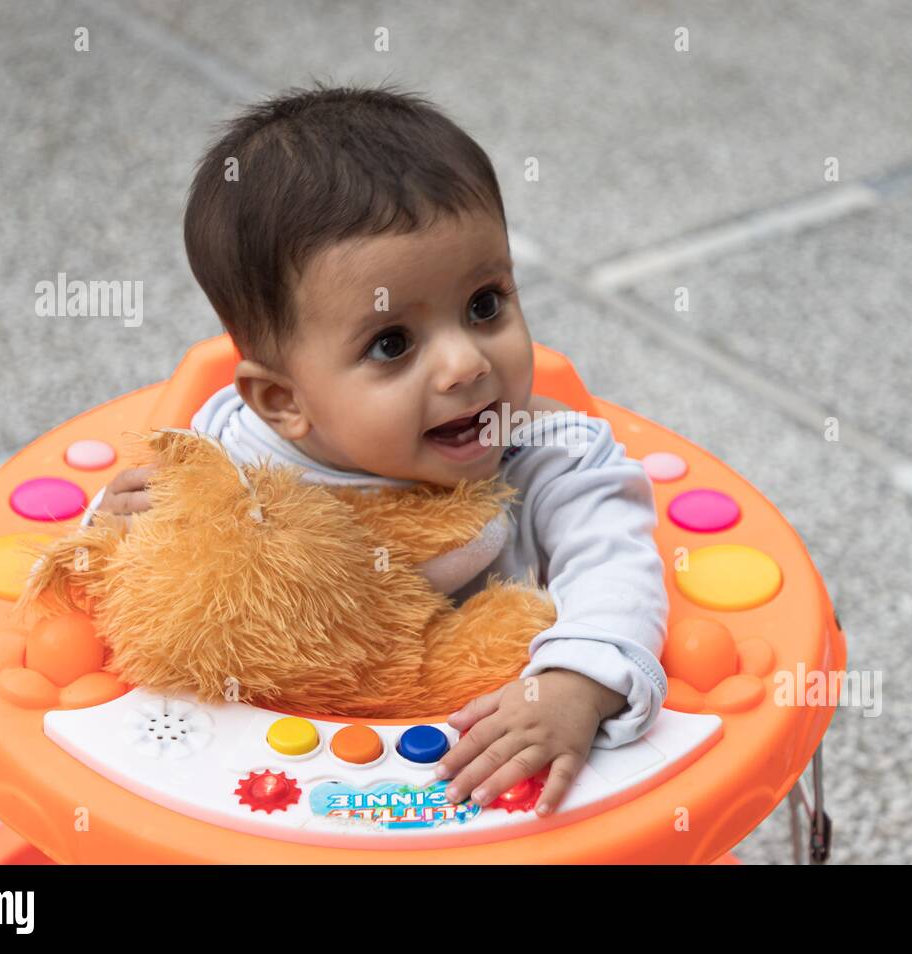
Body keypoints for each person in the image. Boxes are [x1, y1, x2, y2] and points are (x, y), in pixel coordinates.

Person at [98, 81, 668, 816]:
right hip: (279, 767)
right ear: (285, 402)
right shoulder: (228, 455)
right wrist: (105, 528)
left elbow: (616, 563)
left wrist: (575, 684)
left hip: (469, 764)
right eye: (392, 343)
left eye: (485, 303)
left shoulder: (549, 451)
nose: (466, 364)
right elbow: (161, 589)